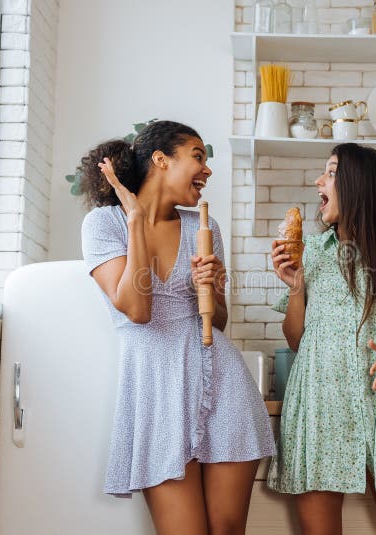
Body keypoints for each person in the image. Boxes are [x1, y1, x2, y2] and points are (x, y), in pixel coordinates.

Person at [79, 120, 275, 535]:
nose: (207, 170)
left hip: (222, 385)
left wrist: (213, 290)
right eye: (198, 157)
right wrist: (136, 221)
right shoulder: (106, 225)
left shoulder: (205, 228)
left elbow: (217, 323)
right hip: (156, 391)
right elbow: (137, 309)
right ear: (161, 160)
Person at [268, 143, 376, 535]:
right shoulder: (310, 253)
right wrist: (295, 287)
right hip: (319, 402)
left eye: (330, 172)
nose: (318, 181)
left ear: (358, 184)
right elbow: (296, 340)